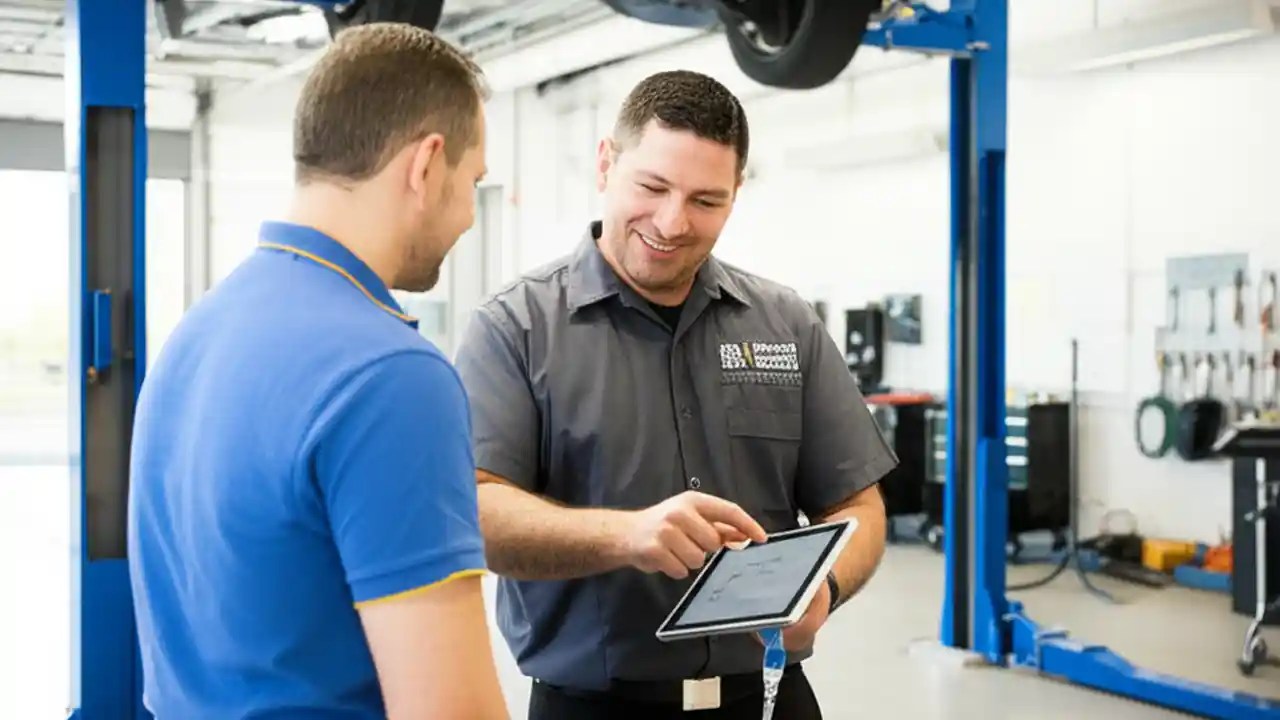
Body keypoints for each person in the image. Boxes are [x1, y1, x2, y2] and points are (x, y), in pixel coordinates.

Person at [453, 69, 897, 720]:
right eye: (652, 187)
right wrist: (625, 536)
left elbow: (858, 503)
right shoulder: (515, 329)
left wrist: (825, 587)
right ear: (607, 163)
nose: (671, 222)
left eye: (705, 200)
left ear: (736, 195)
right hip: (596, 706)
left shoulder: (785, 324)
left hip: (769, 699)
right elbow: (474, 512)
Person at [127, 24, 508, 720]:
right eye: (473, 184)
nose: (466, 219)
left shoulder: (197, 335)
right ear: (426, 165)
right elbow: (451, 711)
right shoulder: (391, 376)